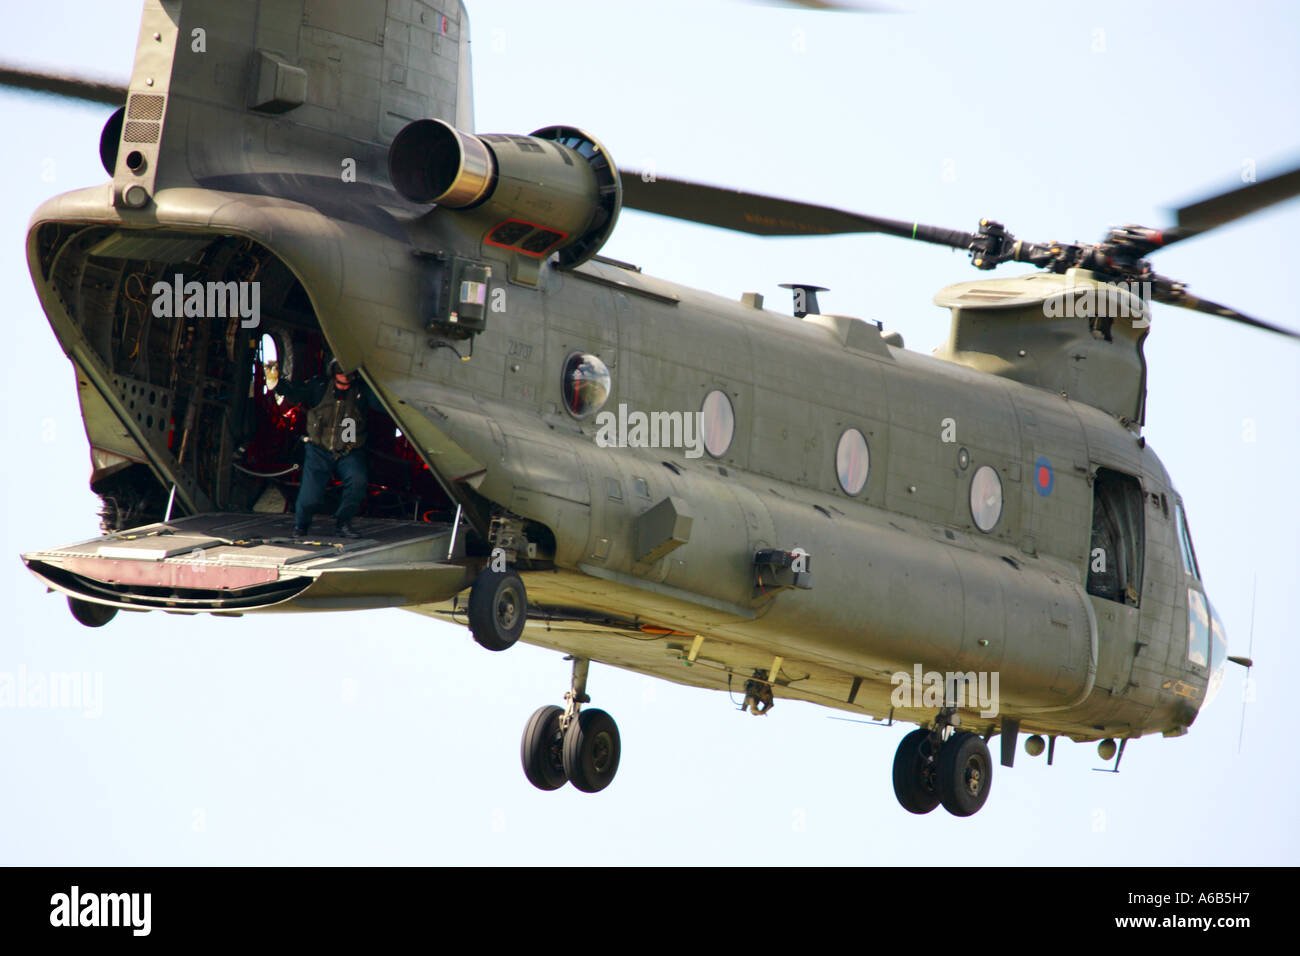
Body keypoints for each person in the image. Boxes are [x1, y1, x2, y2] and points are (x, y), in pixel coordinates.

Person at [276, 358, 375, 538]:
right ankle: (301, 526)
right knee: (309, 496)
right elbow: (296, 395)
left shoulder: (362, 392)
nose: (343, 385)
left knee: (357, 482)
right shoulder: (319, 387)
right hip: (318, 449)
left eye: (347, 379)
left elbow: (382, 404)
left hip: (349, 450)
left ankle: (343, 523)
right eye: (339, 379)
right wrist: (278, 384)